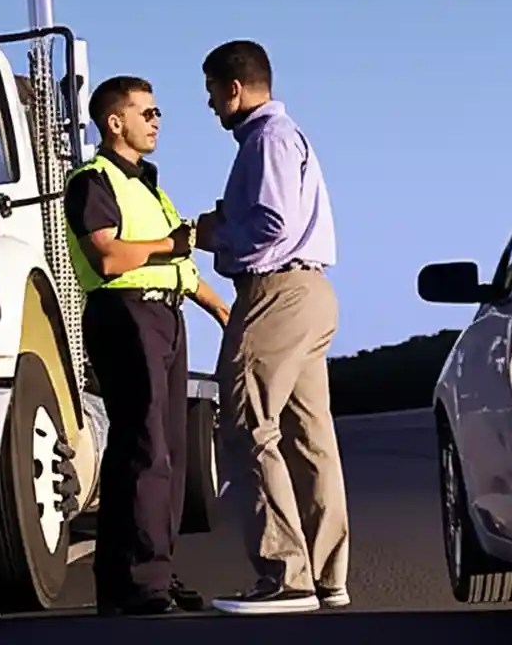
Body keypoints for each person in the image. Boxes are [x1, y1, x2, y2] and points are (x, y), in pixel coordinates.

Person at [63, 74, 230, 616]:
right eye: (147, 112)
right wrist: (176, 239)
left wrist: (220, 306)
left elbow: (174, 263)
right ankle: (139, 583)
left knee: (171, 451)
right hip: (127, 317)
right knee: (145, 447)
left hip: (166, 315)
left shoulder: (149, 186)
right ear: (116, 122)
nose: (157, 121)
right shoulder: (92, 181)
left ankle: (151, 569)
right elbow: (110, 257)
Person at [192, 40, 349, 615]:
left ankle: (287, 576)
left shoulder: (267, 140)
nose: (209, 105)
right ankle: (328, 575)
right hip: (310, 294)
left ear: (234, 88)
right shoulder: (285, 138)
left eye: (211, 92)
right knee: (311, 440)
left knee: (244, 427)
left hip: (275, 293)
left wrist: (214, 234)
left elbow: (271, 225)